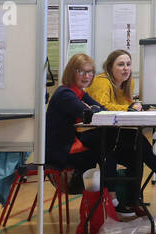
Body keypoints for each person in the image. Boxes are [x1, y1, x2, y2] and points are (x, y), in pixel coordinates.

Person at [45, 53, 138, 220]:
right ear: (71, 72)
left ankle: (119, 199)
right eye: (81, 72)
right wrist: (92, 109)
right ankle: (113, 200)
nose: (87, 76)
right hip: (61, 152)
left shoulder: (79, 93)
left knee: (118, 143)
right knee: (108, 146)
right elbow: (89, 113)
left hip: (72, 143)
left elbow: (101, 109)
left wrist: (93, 109)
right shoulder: (65, 94)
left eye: (90, 72)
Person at [86, 49, 156, 188]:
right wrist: (129, 108)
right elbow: (103, 107)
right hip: (96, 133)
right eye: (120, 65)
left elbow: (126, 105)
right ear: (110, 67)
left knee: (138, 153)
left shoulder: (128, 83)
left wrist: (136, 106)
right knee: (137, 139)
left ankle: (135, 200)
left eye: (128, 64)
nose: (126, 68)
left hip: (115, 133)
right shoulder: (101, 82)